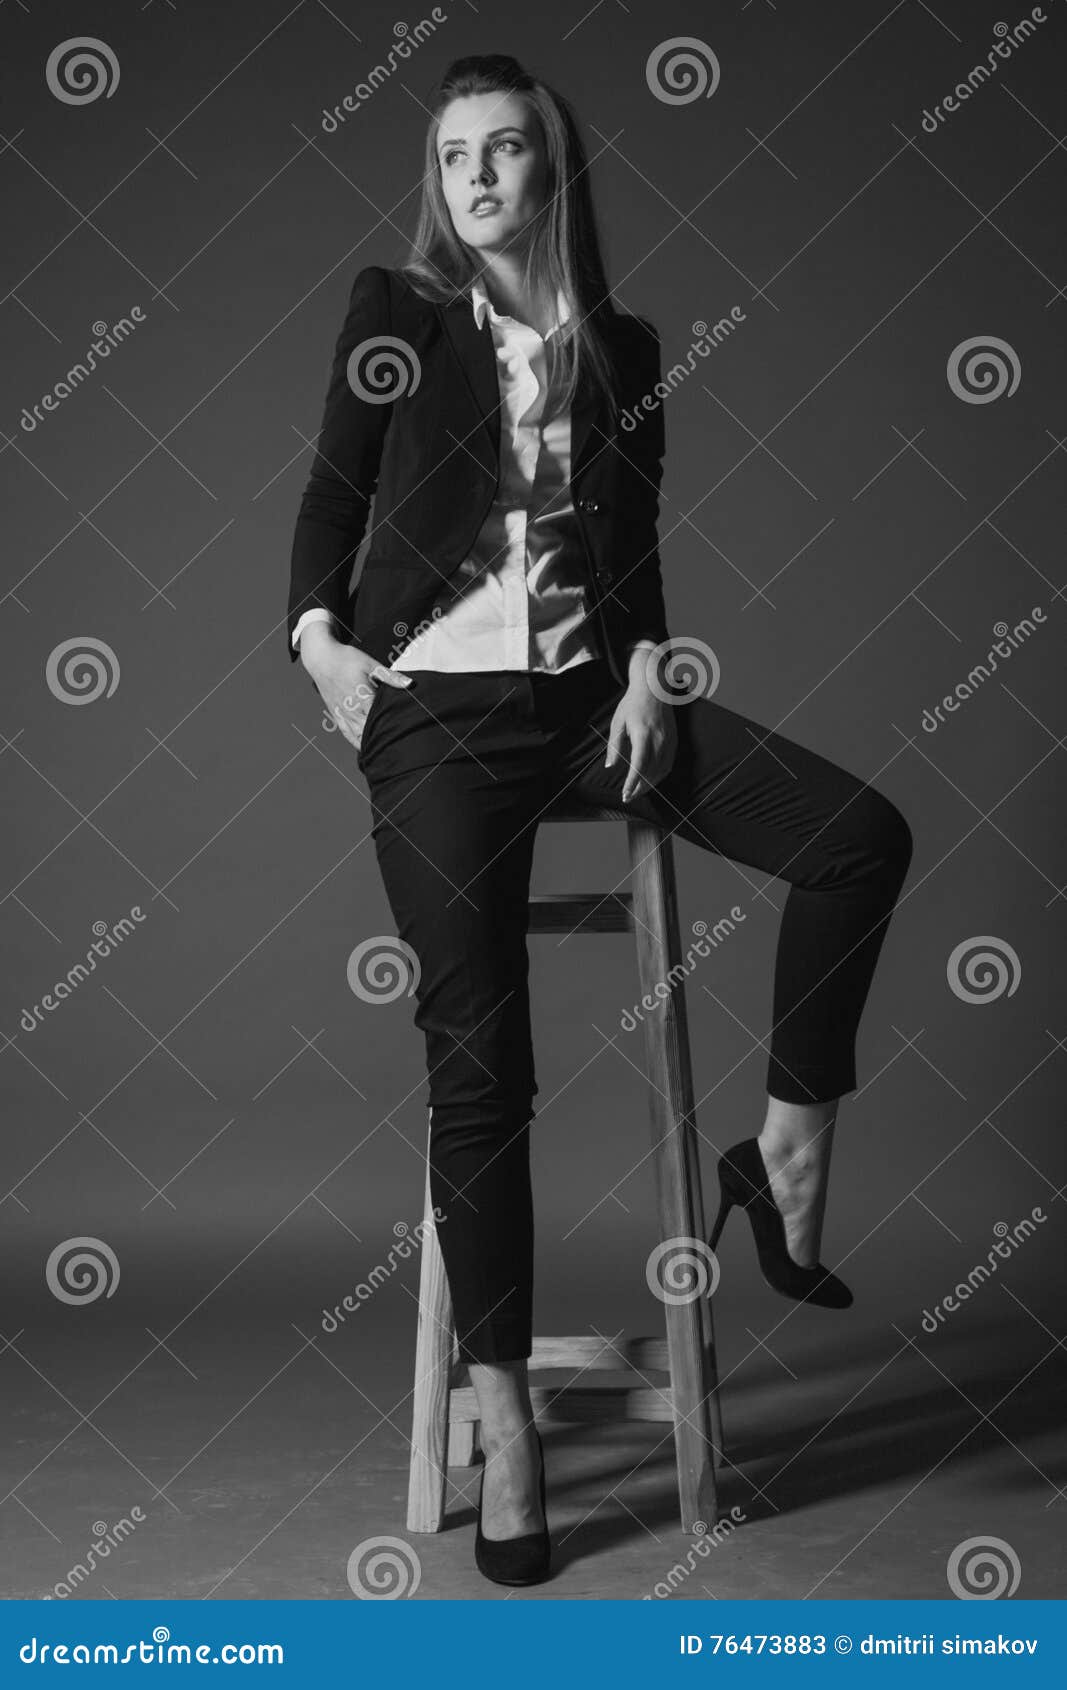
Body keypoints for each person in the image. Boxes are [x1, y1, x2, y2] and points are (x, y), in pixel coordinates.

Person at [286, 53, 914, 1586]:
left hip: (589, 712)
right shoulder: (396, 314)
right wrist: (319, 645)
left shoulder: (623, 348)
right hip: (435, 724)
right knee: (482, 1061)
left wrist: (644, 664)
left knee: (859, 838)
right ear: (436, 182)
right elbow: (329, 501)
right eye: (454, 156)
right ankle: (504, 1417)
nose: (477, 178)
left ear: (550, 169)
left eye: (505, 150)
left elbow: (633, 553)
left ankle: (782, 1154)